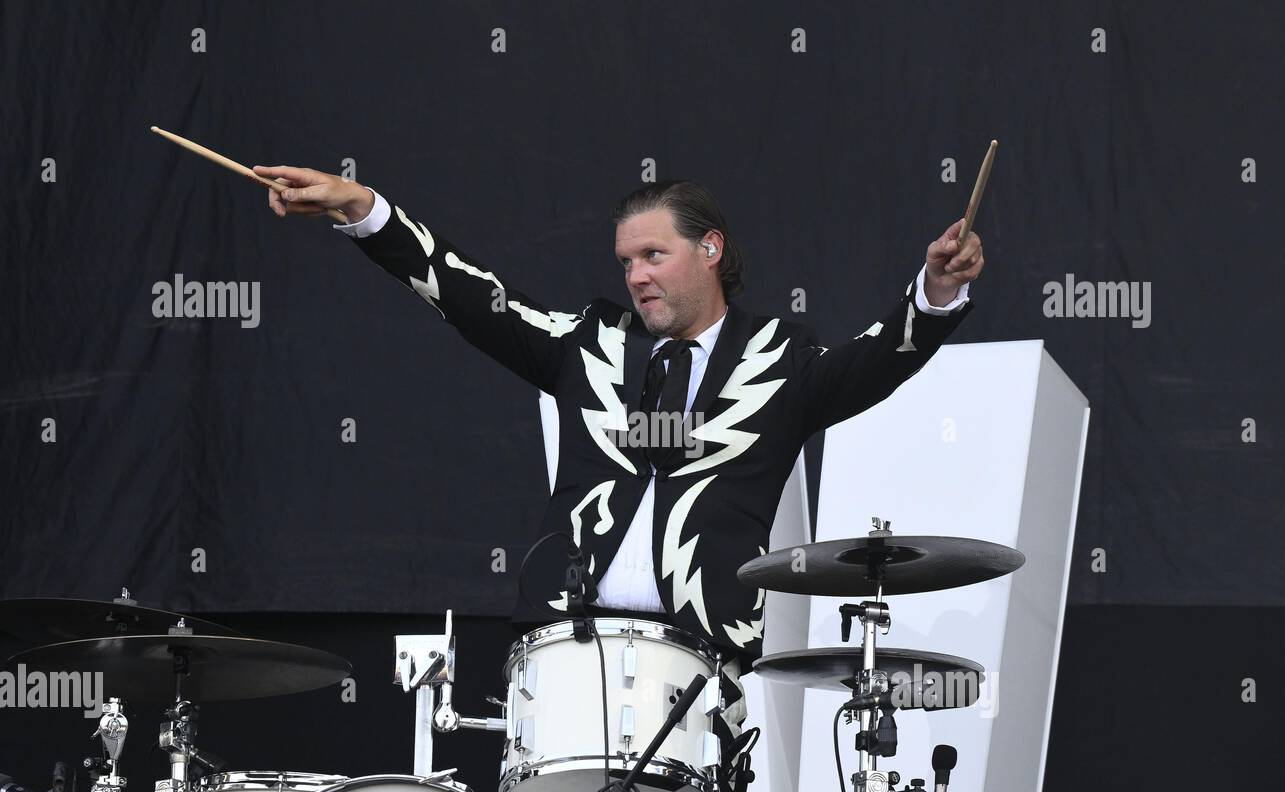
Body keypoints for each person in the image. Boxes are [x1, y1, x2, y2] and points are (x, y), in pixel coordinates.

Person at [254, 165, 984, 744]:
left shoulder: (778, 362)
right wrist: (365, 209)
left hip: (699, 673)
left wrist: (937, 292)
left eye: (653, 256)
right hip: (563, 652)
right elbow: (476, 299)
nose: (635, 277)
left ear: (710, 250)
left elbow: (876, 359)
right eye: (627, 261)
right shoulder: (591, 346)